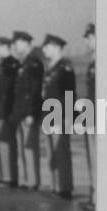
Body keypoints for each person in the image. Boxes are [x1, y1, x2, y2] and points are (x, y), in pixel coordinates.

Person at [40, 33, 77, 199]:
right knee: (51, 153)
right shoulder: (51, 67)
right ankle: (55, 185)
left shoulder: (64, 68)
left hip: (60, 115)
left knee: (61, 151)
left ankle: (64, 187)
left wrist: (68, 118)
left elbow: (70, 94)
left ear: (55, 47)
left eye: (47, 47)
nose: (44, 50)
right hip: (49, 115)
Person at [10, 30, 44, 190]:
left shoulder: (34, 63)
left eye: (18, 42)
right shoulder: (24, 63)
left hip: (29, 113)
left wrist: (31, 113)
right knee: (23, 146)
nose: (15, 46)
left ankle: (33, 181)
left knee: (30, 147)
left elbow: (35, 90)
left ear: (26, 43)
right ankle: (26, 179)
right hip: (21, 112)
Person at [0, 35, 19, 187]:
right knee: (2, 144)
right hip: (1, 111)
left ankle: (9, 178)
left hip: (7, 111)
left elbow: (11, 92)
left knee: (7, 144)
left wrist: (8, 112)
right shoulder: (3, 65)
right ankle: (5, 176)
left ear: (4, 47)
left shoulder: (11, 65)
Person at [81, 23, 96, 211]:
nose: (86, 42)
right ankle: (94, 196)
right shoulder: (93, 61)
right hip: (91, 116)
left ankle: (97, 198)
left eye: (90, 38)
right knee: (92, 158)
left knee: (96, 158)